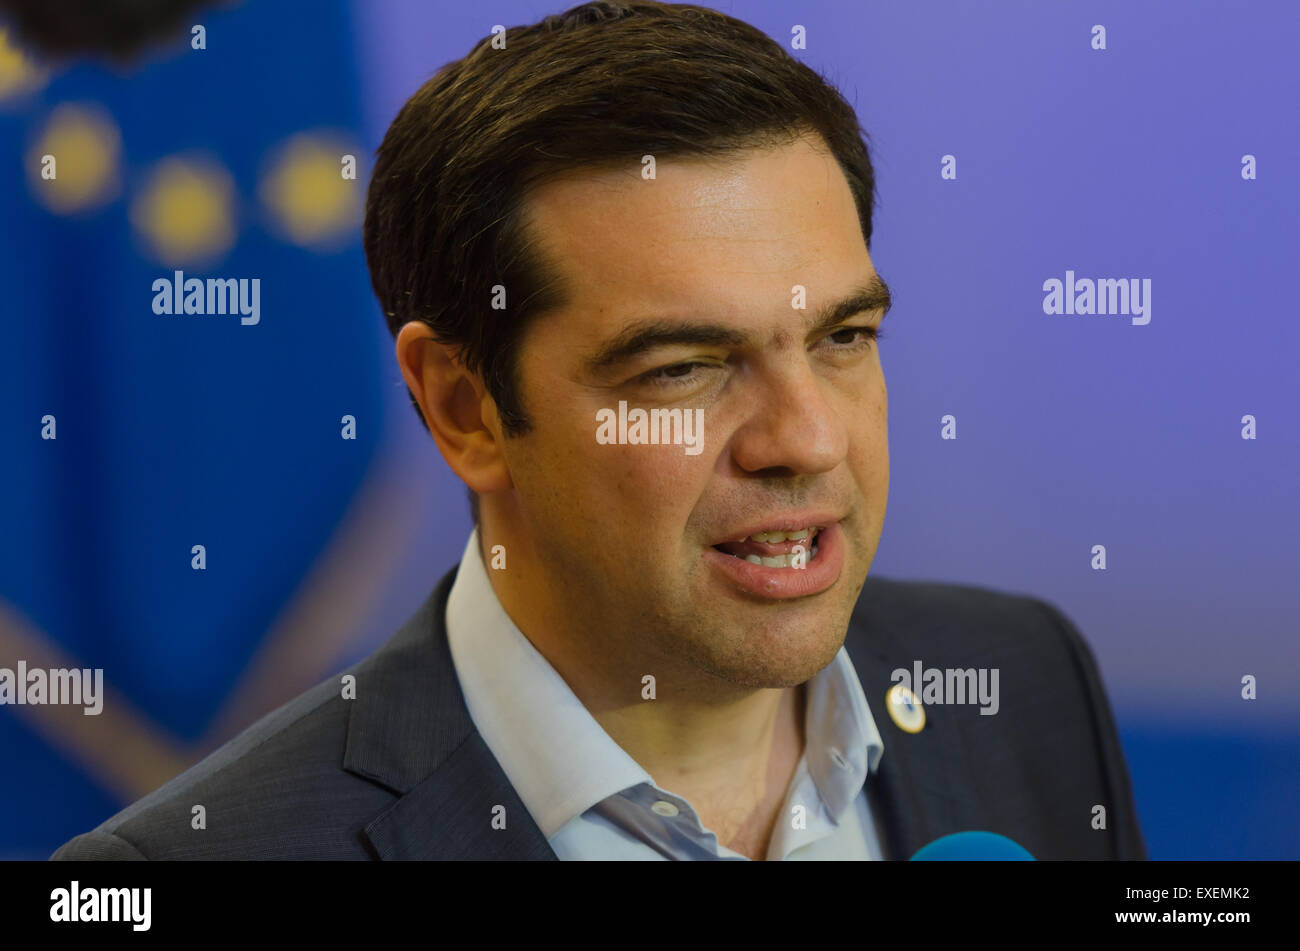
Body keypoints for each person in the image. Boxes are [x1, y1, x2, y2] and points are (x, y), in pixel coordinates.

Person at [52, 0, 1145, 861]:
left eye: (842, 339)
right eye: (683, 369)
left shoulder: (1019, 679)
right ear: (463, 409)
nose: (806, 440)